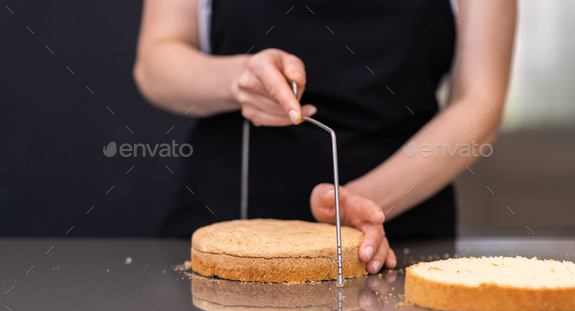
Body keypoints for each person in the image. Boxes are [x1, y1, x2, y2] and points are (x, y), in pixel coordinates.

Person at [133, 0, 515, 274]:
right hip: (221, 227)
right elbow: (155, 64)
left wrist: (364, 203)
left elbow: (480, 102)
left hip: (392, 239)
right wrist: (239, 79)